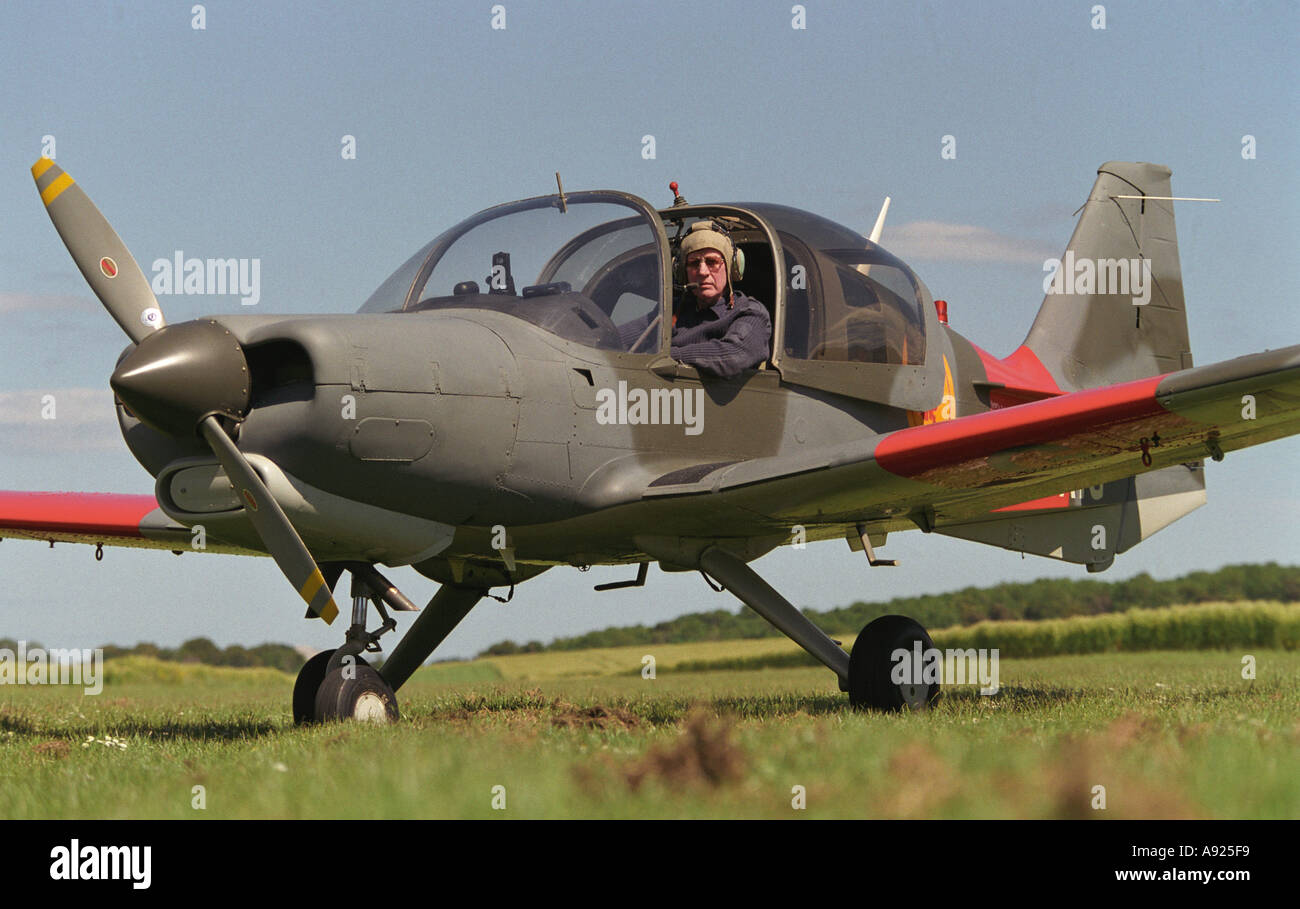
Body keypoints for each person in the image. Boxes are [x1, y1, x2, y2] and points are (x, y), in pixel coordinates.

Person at [620, 221, 771, 378]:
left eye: (712, 262)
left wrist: (664, 356)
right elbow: (616, 338)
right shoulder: (672, 311)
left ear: (731, 267)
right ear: (682, 272)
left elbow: (733, 355)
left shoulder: (750, 312)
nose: (703, 271)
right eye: (694, 263)